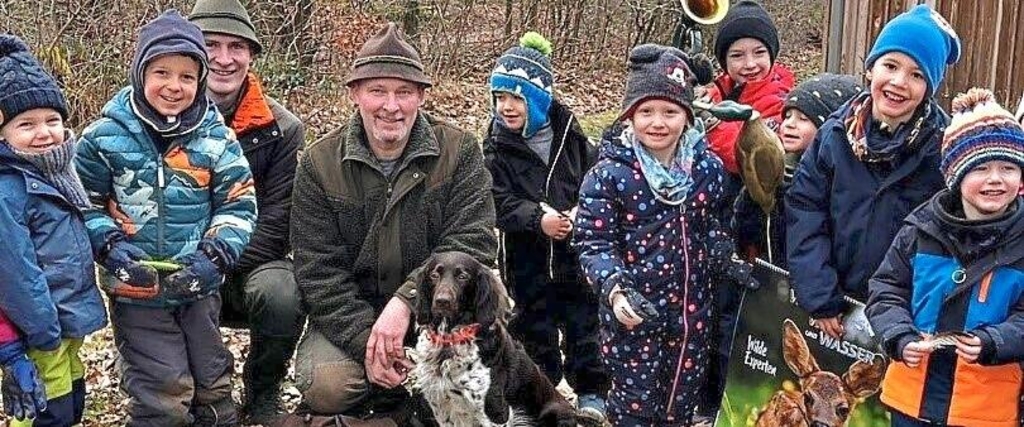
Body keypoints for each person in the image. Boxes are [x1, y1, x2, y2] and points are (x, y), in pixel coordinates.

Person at [288, 22, 497, 425]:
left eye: (404, 92)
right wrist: (371, 340)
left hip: (444, 313)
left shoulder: (460, 151)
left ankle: (408, 400)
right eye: (377, 91)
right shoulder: (318, 163)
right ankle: (398, 396)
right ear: (355, 94)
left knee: (476, 388)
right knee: (324, 385)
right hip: (355, 314)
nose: (391, 106)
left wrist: (406, 301)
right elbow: (318, 271)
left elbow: (474, 241)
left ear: (421, 95)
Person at [75, 10, 257, 426]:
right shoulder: (104, 136)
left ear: (200, 81)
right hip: (135, 286)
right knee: (162, 386)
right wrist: (111, 246)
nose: (174, 86)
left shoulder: (216, 138)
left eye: (187, 77)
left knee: (211, 375)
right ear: (141, 73)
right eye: (162, 73)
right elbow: (84, 203)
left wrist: (215, 256)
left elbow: (238, 203)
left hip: (197, 281)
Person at [574, 44, 733, 427]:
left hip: (691, 318)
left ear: (688, 117)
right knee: (634, 408)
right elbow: (594, 242)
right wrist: (614, 287)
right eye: (646, 111)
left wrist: (720, 250)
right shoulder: (610, 174)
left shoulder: (706, 169)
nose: (657, 123)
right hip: (634, 316)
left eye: (670, 112)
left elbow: (709, 222)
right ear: (630, 116)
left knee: (680, 403)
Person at [786, 4, 961, 340]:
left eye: (917, 75)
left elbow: (950, 238)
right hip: (834, 304)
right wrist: (820, 295)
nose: (898, 82)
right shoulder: (835, 135)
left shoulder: (945, 149)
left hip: (904, 316)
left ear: (930, 87)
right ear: (871, 68)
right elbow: (806, 210)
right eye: (890, 66)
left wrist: (904, 315)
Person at [866, 88, 1024, 427]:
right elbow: (886, 289)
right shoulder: (919, 231)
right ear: (955, 175)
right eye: (980, 168)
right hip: (910, 399)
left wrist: (995, 340)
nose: (995, 179)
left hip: (984, 407)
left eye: (1008, 167)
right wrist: (898, 335)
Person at [188, 0, 305, 423]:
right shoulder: (158, 115)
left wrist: (213, 260)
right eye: (210, 45)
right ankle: (195, 393)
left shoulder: (282, 128)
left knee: (283, 291)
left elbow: (278, 223)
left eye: (236, 46)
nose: (223, 59)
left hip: (247, 266)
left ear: (251, 54)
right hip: (175, 264)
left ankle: (263, 391)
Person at [483, 31, 608, 424]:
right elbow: (497, 201)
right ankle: (539, 397)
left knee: (584, 324)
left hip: (575, 257)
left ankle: (592, 394)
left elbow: (595, 179)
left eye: (515, 98)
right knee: (532, 329)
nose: (505, 107)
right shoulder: (495, 146)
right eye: (499, 97)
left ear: (537, 99)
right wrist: (537, 220)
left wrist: (579, 211)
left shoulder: (571, 135)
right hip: (527, 258)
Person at [0, 34, 107, 427]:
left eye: (52, 120)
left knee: (73, 402)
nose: (44, 132)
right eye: (26, 124)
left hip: (69, 323)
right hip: (41, 331)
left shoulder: (58, 173)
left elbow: (81, 227)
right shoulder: (8, 191)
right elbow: (15, 273)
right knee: (49, 412)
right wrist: (42, 329)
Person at [732, 73, 862, 266]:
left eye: (803, 118)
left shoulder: (838, 182)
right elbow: (746, 229)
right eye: (787, 116)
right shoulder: (778, 171)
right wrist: (755, 196)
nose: (789, 124)